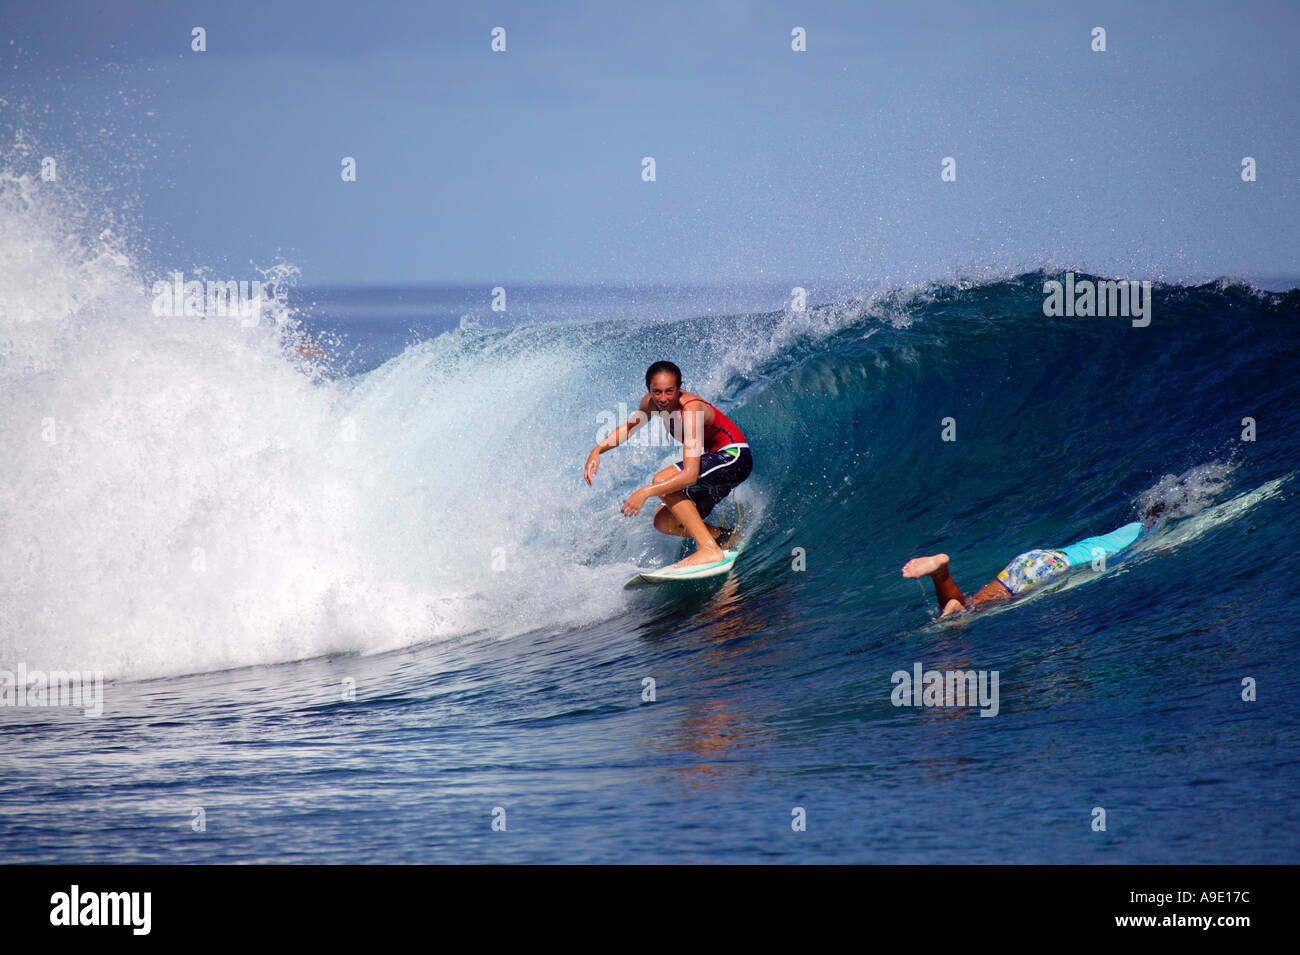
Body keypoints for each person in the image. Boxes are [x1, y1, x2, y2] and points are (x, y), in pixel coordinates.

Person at [584, 361, 752, 568]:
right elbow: (629, 428)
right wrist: (598, 449)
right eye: (657, 392)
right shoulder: (650, 403)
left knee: (662, 480)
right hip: (715, 465)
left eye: (669, 391)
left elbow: (690, 475)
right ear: (649, 390)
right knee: (665, 522)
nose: (663, 398)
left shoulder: (690, 411)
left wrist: (645, 492)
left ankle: (708, 550)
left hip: (734, 458)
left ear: (679, 388)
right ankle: (726, 539)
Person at [902, 503, 1168, 617]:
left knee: (973, 604)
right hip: (1052, 566)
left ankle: (940, 574)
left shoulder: (1127, 529)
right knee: (976, 612)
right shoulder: (1145, 532)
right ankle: (942, 573)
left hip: (1034, 560)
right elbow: (1141, 550)